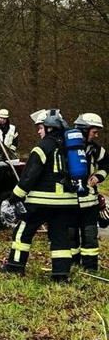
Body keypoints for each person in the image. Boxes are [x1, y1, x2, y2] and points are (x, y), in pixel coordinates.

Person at [1, 109, 77, 282]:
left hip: (40, 202)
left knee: (23, 233)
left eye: (41, 127)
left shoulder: (42, 147)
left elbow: (29, 176)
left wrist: (14, 197)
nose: (38, 131)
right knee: (60, 238)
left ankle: (14, 267)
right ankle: (60, 275)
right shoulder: (69, 148)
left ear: (49, 128)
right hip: (65, 203)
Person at [68, 113, 108, 272]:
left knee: (90, 237)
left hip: (90, 202)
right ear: (84, 130)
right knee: (70, 237)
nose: (96, 134)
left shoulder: (96, 149)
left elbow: (107, 164)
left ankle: (90, 268)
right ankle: (73, 265)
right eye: (94, 131)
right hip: (70, 201)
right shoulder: (66, 147)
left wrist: (99, 176)